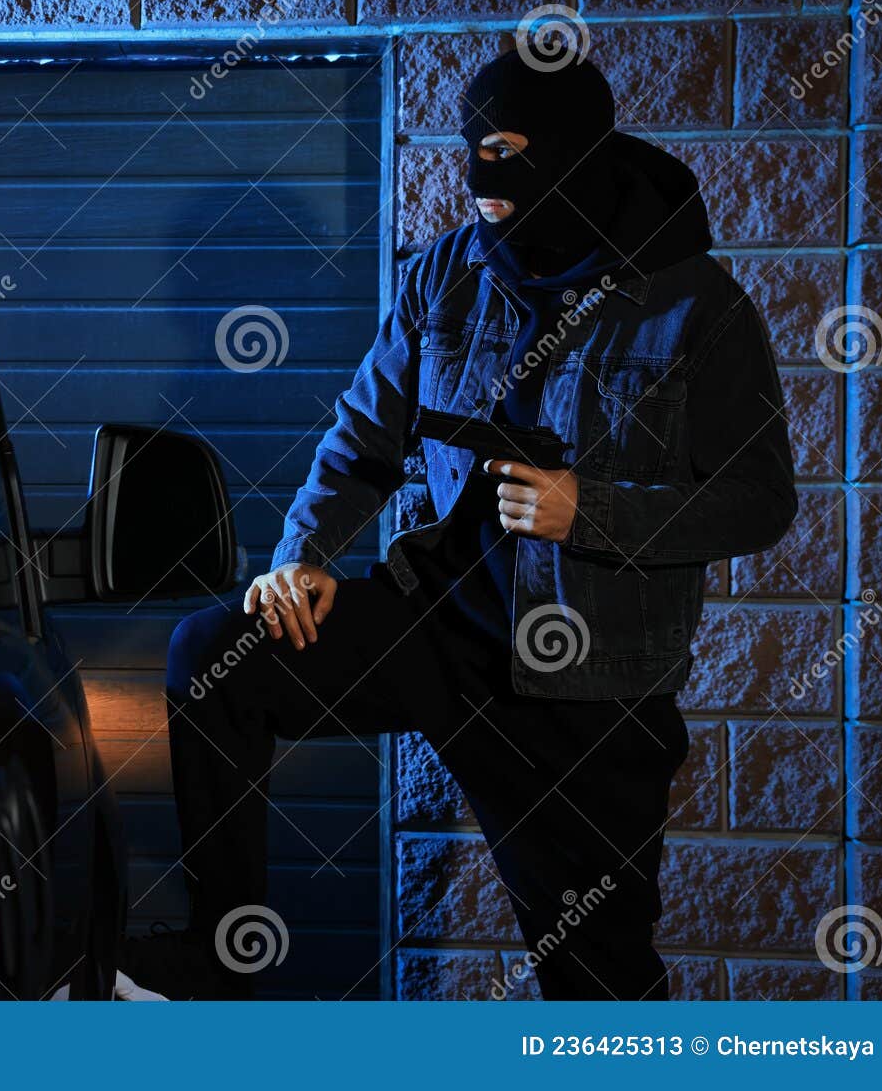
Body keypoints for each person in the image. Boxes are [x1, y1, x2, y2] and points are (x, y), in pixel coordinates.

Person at [125, 50, 796, 1000]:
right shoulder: (447, 271)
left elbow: (761, 498)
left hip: (585, 687)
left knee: (599, 980)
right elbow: (362, 438)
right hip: (435, 626)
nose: (480, 176)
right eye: (470, 146)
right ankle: (216, 954)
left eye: (507, 150)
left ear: (571, 153)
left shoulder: (697, 305)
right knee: (216, 654)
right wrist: (302, 556)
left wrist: (588, 510)